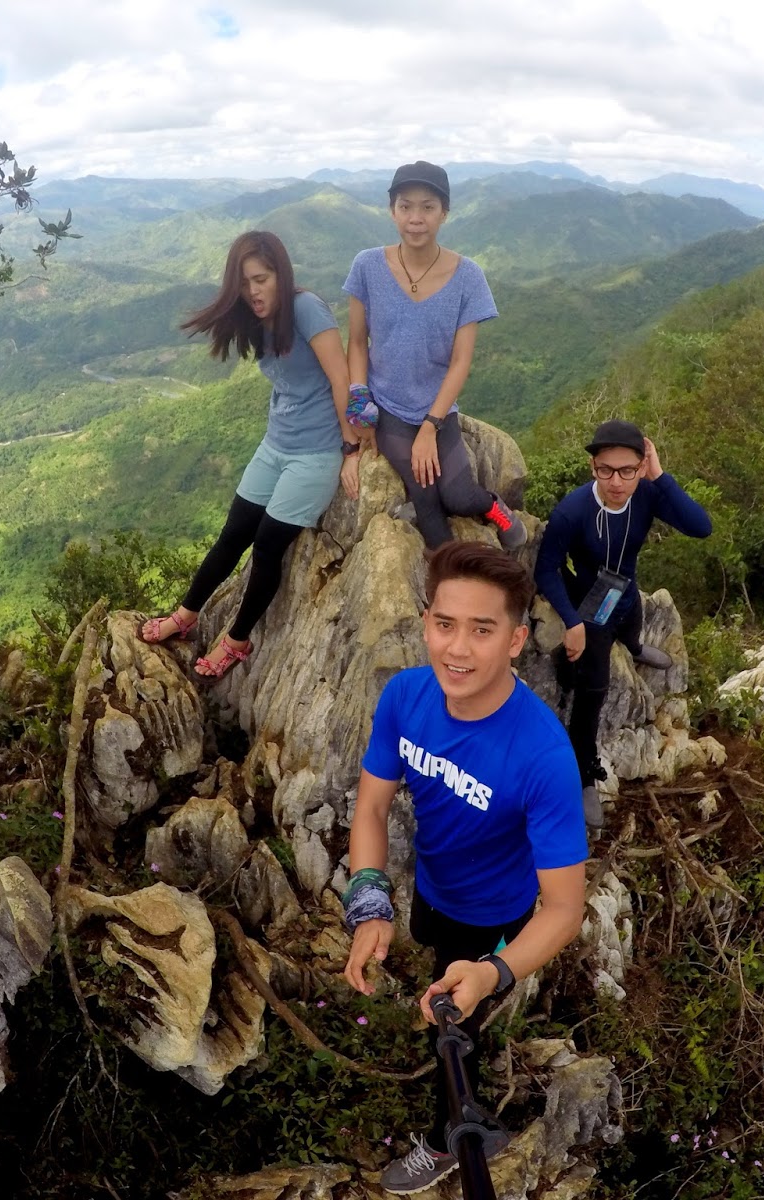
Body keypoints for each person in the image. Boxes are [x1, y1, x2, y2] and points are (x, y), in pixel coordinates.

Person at [344, 541, 587, 1195]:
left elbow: (565, 907)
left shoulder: (541, 755)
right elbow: (370, 809)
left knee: (457, 1027)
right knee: (432, 954)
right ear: (425, 621)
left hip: (494, 918)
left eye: (482, 630)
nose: (457, 649)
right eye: (445, 624)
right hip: (432, 888)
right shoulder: (406, 696)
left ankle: (447, 1137)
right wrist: (369, 906)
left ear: (514, 640)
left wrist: (493, 970)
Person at [140, 230, 361, 675]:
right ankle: (185, 616)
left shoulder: (305, 309)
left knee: (266, 546)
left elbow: (342, 379)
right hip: (275, 443)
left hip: (315, 452)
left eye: (261, 279)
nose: (253, 291)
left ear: (281, 273)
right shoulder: (254, 319)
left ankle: (238, 641)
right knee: (233, 532)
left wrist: (351, 448)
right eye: (244, 284)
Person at [534, 420, 713, 828]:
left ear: (641, 465)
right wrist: (571, 621)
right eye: (606, 470)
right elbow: (545, 570)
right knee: (591, 696)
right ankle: (582, 779)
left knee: (632, 627)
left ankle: (633, 649)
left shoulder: (647, 495)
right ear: (593, 466)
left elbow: (700, 527)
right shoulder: (572, 511)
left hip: (626, 596)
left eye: (627, 470)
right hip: (588, 611)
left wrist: (660, 476)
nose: (616, 481)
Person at [343, 161, 525, 552]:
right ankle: (450, 576)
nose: (416, 218)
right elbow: (357, 342)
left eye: (427, 207)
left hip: (437, 408)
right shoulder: (367, 266)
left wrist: (430, 427)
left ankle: (494, 506)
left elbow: (461, 361)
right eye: (405, 206)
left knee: (458, 496)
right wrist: (360, 401)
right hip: (387, 406)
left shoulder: (468, 277)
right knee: (426, 497)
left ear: (444, 212)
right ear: (392, 211)